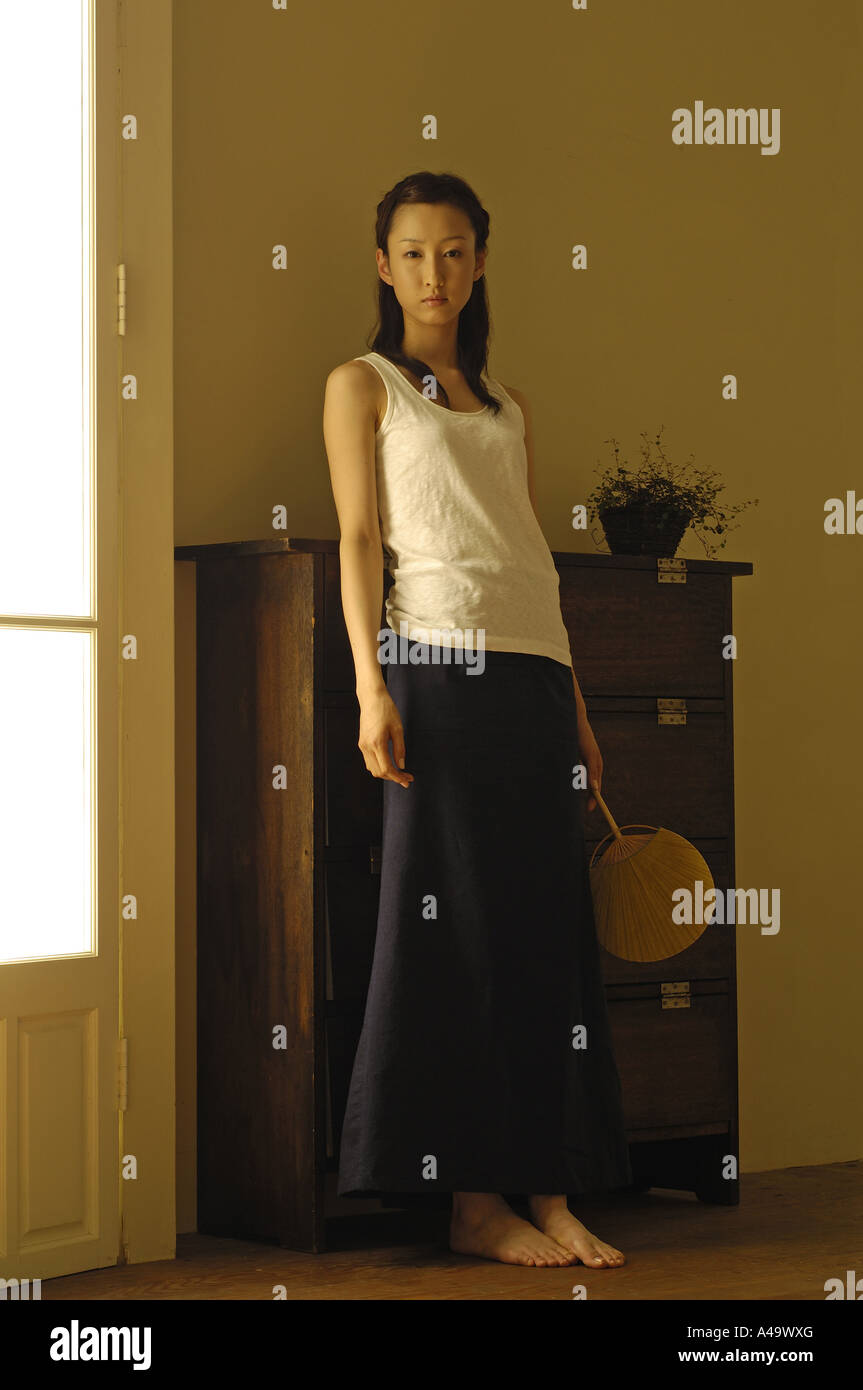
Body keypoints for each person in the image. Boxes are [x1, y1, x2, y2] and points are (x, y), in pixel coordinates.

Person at [323, 171, 631, 1269]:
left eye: (452, 251)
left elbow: (529, 558)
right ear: (382, 265)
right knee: (454, 940)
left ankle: (547, 1186)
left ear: (480, 260)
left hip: (534, 678)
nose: (432, 272)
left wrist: (580, 708)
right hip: (434, 671)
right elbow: (361, 541)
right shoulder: (361, 386)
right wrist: (370, 684)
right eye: (411, 252)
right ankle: (470, 1202)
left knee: (546, 934)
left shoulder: (504, 404)